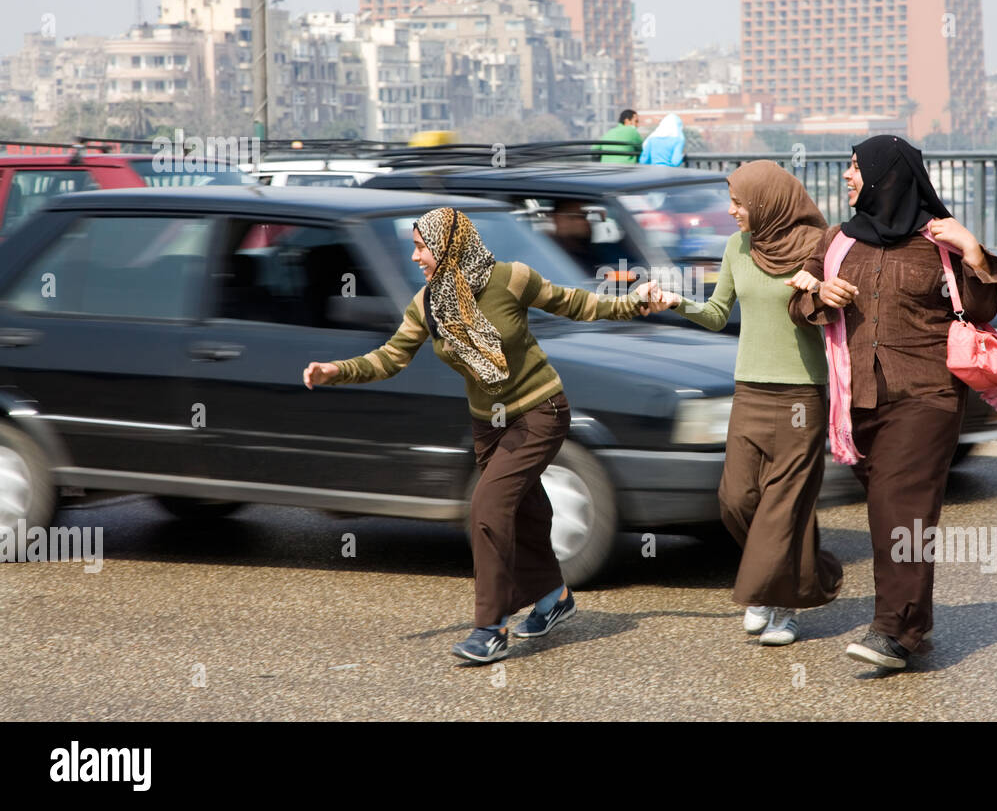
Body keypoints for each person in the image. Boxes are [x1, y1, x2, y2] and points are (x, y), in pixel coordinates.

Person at [301, 207, 657, 665]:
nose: (414, 257)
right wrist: (337, 370)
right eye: (413, 247)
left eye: (421, 246)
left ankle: (490, 627)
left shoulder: (510, 279)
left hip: (539, 412)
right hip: (489, 426)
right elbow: (391, 357)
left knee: (488, 508)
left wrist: (636, 301)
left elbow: (578, 303)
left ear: (450, 246)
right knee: (524, 511)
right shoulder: (428, 303)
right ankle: (553, 597)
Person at [786, 135, 997, 671]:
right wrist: (819, 296)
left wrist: (973, 251)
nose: (847, 175)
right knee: (896, 515)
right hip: (857, 400)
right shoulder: (838, 241)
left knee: (898, 509)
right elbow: (798, 303)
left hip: (926, 398)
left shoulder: (939, 242)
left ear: (889, 176)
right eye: (848, 166)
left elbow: (982, 311)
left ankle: (893, 631)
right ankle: (915, 625)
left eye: (857, 167)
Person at [643, 160, 842, 645]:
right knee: (736, 499)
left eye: (738, 202)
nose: (731, 211)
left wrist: (821, 289)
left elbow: (845, 309)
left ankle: (779, 603)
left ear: (768, 201)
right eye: (730, 202)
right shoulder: (737, 247)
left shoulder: (820, 247)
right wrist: (676, 302)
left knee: (784, 505)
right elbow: (716, 314)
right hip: (749, 391)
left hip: (802, 394)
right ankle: (801, 574)